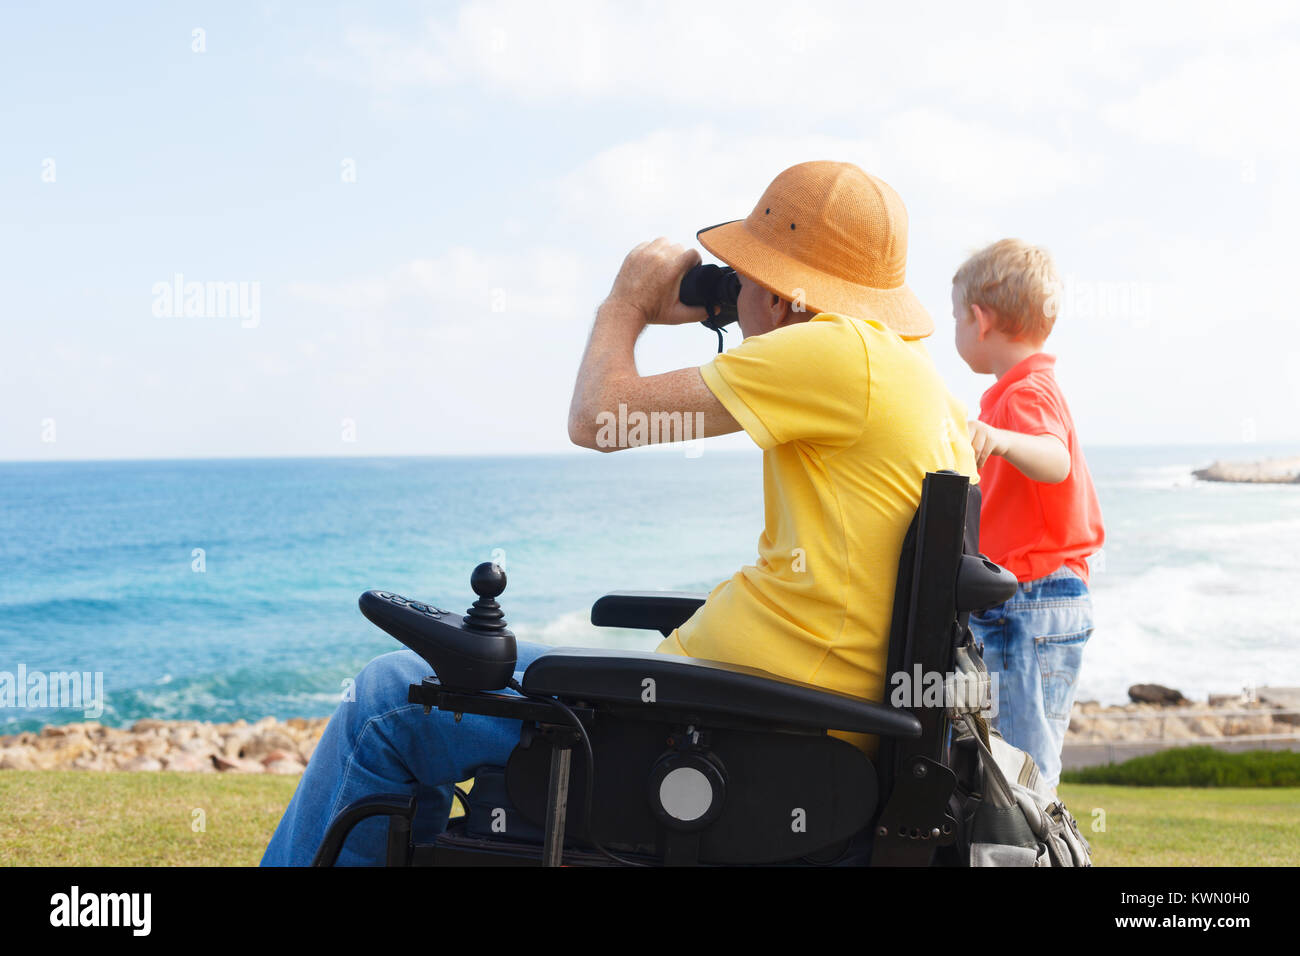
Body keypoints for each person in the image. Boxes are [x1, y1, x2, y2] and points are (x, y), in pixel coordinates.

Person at [261, 161, 977, 865]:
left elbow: (599, 419)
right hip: (785, 729)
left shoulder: (833, 351)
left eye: (748, 275)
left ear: (789, 298)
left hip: (739, 740)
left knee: (388, 699)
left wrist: (626, 304)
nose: (736, 291)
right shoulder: (920, 386)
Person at [952, 238, 1105, 790]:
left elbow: (1054, 459)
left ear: (979, 318)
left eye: (955, 318)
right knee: (1015, 761)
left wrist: (998, 437)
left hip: (1032, 601)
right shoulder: (1019, 392)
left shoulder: (1024, 394)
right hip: (1037, 600)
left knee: (1021, 772)